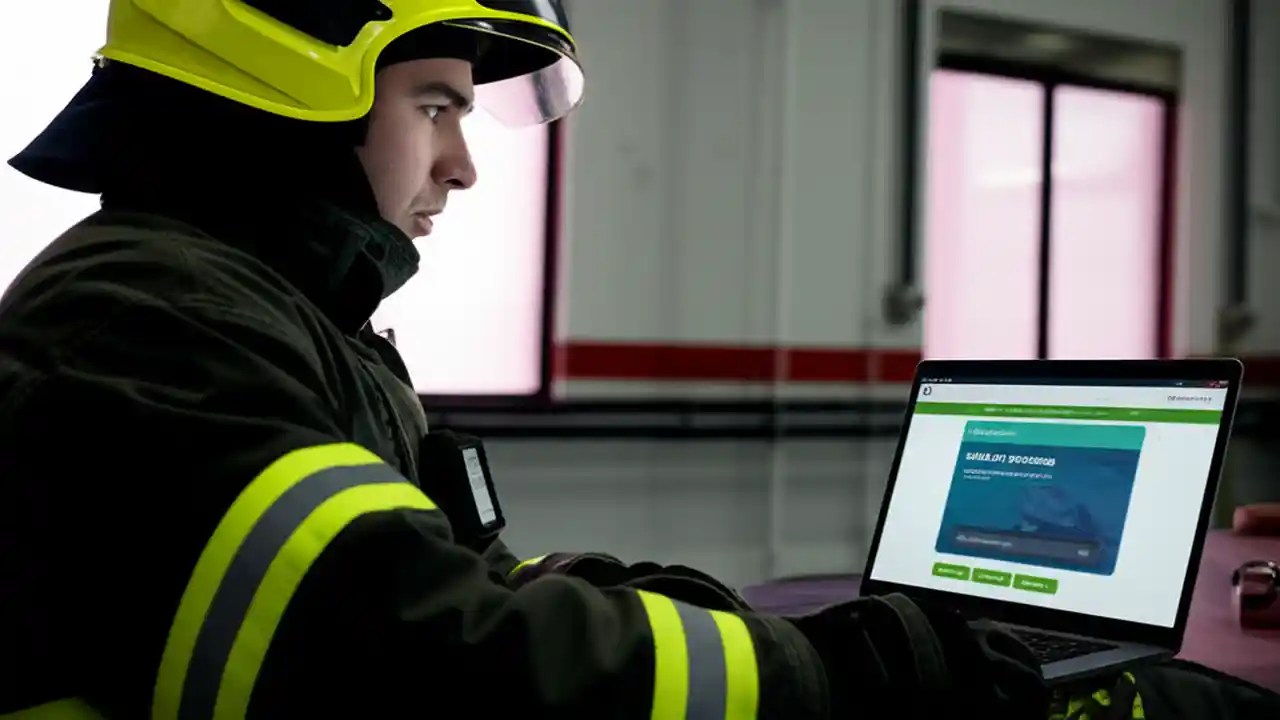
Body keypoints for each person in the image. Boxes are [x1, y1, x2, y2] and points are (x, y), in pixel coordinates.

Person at [0, 1, 1197, 718]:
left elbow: (439, 572)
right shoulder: (144, 315)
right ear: (287, 88)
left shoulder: (273, 311)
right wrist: (831, 678)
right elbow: (414, 662)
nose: (462, 164)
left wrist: (633, 595)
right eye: (433, 105)